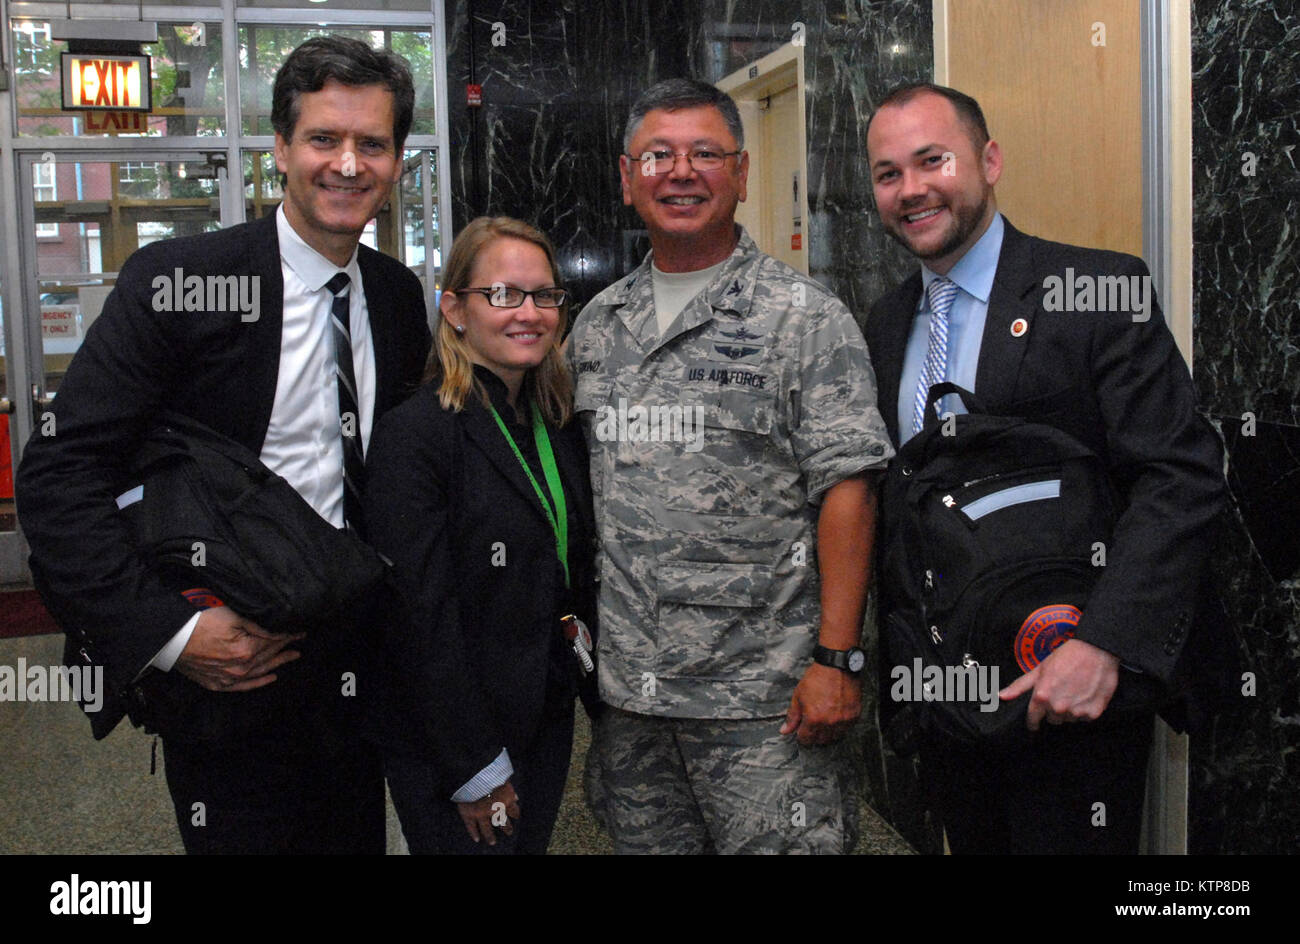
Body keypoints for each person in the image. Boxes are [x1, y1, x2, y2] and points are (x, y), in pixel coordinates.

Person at [15, 36, 431, 854]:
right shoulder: (183, 282)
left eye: (372, 144)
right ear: (280, 149)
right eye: (323, 139)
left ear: (395, 159)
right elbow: (60, 474)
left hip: (361, 667)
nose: (348, 164)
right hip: (233, 668)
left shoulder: (394, 296)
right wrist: (170, 636)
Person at [863, 81, 1227, 854]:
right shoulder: (887, 319)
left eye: (934, 160)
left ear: (989, 160)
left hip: (1070, 688)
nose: (911, 189)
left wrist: (1105, 645)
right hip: (952, 703)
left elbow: (1181, 476)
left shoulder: (1095, 291)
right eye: (888, 173)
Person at [566, 78, 894, 854]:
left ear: (741, 174)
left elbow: (848, 489)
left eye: (706, 154)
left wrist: (837, 659)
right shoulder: (596, 325)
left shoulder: (805, 319)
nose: (682, 172)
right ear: (625, 177)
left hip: (764, 697)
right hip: (633, 697)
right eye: (658, 155)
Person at [363, 216, 597, 855]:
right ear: (455, 310)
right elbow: (417, 617)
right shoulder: (418, 435)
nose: (529, 313)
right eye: (502, 295)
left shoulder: (551, 421)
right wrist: (475, 769)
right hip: (457, 742)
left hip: (540, 718)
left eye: (545, 296)